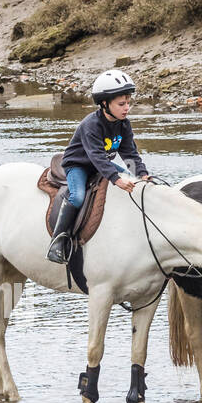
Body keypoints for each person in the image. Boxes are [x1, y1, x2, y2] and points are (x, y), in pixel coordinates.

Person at [48, 69, 152, 264]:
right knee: (77, 196)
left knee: (136, 183)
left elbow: (129, 153)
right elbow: (96, 157)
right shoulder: (91, 125)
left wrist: (142, 174)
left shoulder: (124, 124)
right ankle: (57, 241)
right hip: (78, 165)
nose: (127, 108)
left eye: (128, 103)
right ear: (104, 103)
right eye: (121, 104)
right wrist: (116, 179)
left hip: (101, 165)